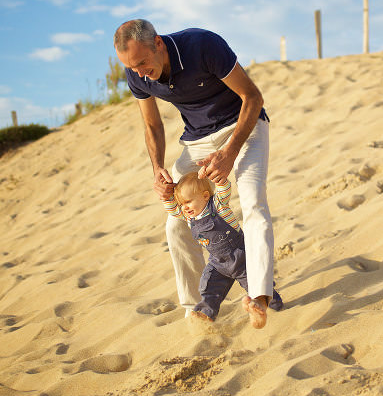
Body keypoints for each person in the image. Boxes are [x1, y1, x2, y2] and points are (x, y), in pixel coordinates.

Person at [114, 19, 277, 328]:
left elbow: (253, 97)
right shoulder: (136, 73)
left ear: (158, 44)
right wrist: (158, 169)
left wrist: (229, 154)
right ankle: (196, 309)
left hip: (244, 126)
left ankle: (259, 296)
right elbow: (152, 124)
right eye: (131, 67)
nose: (138, 72)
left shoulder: (203, 46)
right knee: (176, 223)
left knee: (254, 205)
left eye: (142, 63)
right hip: (197, 141)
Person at [163, 172, 283, 326]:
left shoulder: (218, 206)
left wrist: (220, 181)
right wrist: (167, 197)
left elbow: (224, 190)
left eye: (188, 202)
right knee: (208, 288)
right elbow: (173, 210)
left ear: (205, 196)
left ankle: (273, 308)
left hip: (239, 257)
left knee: (257, 284)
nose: (184, 207)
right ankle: (205, 314)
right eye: (182, 204)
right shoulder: (189, 217)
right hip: (217, 263)